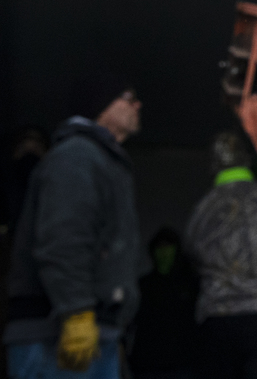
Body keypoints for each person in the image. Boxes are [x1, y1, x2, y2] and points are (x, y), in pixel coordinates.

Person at [5, 73, 142, 379]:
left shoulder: (99, 161)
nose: (137, 105)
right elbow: (64, 238)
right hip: (56, 336)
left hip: (91, 333)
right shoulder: (77, 157)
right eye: (128, 97)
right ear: (103, 106)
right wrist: (77, 311)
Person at [185, 132, 257, 379]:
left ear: (213, 166)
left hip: (219, 319)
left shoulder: (203, 208)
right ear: (249, 161)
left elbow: (190, 254)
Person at [127, 227, 198, 379]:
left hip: (183, 365)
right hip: (147, 366)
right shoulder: (144, 286)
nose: (164, 252)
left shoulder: (191, 285)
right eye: (160, 247)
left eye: (168, 247)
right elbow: (129, 322)